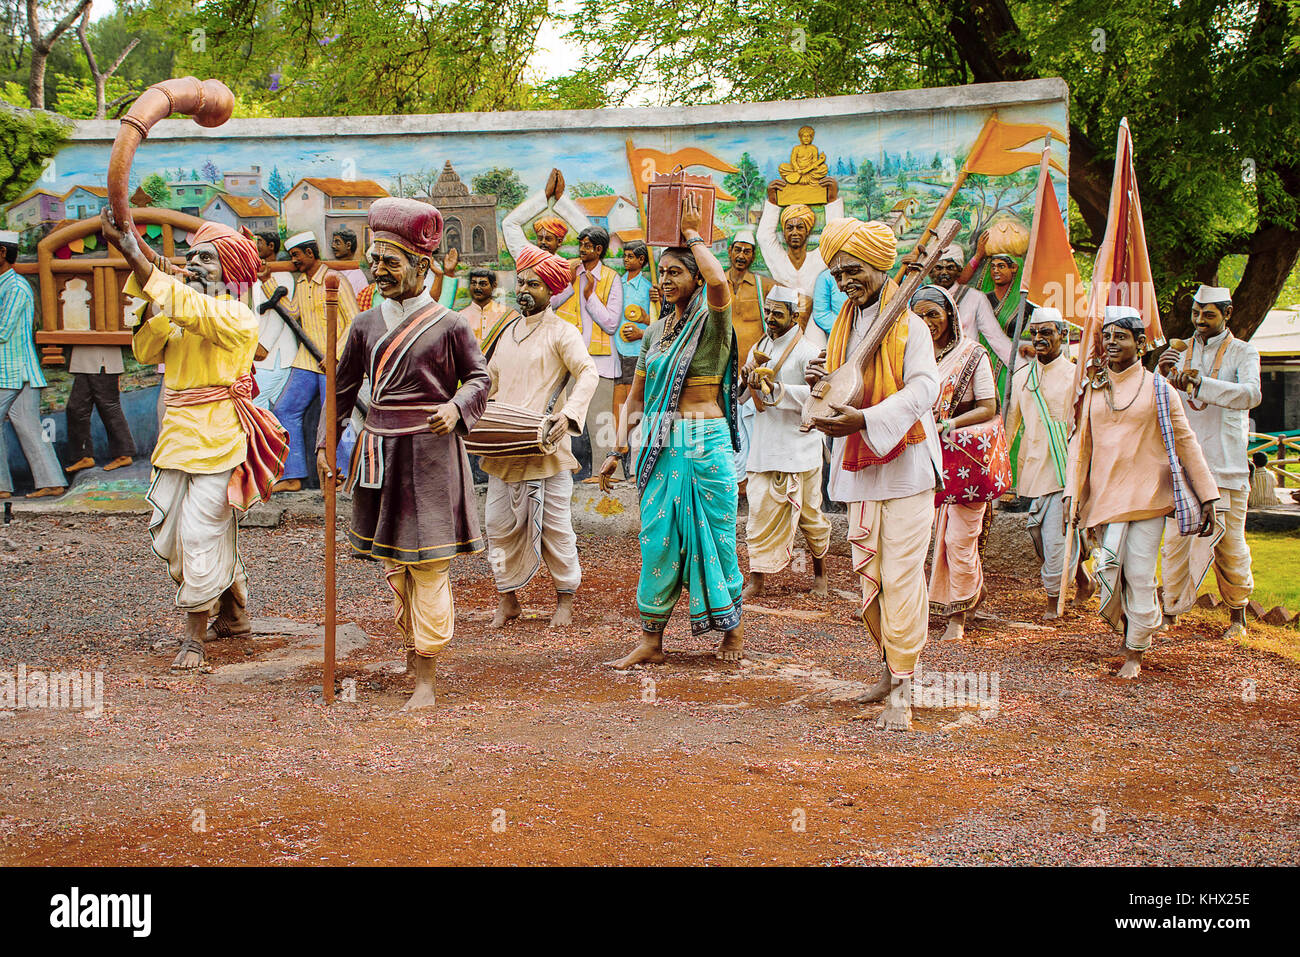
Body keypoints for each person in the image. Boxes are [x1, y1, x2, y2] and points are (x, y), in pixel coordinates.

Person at [318, 198, 490, 710]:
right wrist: (329, 446)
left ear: (423, 265)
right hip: (380, 454)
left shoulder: (450, 323)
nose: (380, 270)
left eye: (391, 262)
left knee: (430, 564)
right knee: (396, 562)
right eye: (376, 261)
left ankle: (427, 679)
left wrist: (458, 408)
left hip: (433, 455)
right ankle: (413, 650)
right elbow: (342, 389)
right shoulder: (366, 323)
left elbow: (480, 378)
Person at [99, 209, 288, 672]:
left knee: (199, 532)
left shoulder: (235, 314)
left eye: (207, 256)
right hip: (177, 435)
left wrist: (133, 252)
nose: (194, 261)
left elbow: (192, 307)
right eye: (191, 255)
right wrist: (157, 301)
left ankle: (194, 639)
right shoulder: (184, 306)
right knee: (178, 538)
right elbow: (145, 350)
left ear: (232, 268)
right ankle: (234, 606)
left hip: (221, 435)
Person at [804, 217, 943, 732]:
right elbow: (846, 380)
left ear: (880, 264)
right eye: (837, 274)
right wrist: (823, 378)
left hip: (905, 469)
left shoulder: (911, 324)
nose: (845, 282)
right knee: (872, 577)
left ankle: (904, 689)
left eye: (853, 270)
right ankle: (889, 670)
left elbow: (925, 388)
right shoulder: (844, 322)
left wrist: (865, 418)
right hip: (859, 471)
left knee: (903, 577)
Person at [598, 193, 744, 667]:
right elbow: (637, 398)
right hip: (664, 446)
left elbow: (721, 281)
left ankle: (731, 635)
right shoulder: (658, 331)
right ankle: (651, 641)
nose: (665, 280)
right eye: (661, 273)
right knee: (657, 538)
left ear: (695, 277)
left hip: (706, 443)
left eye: (675, 271)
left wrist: (695, 234)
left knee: (717, 538)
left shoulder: (713, 320)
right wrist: (618, 449)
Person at [1064, 306, 1219, 679]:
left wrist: (1208, 495)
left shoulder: (1159, 388)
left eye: (1122, 336)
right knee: (1110, 567)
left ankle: (1136, 649)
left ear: (1141, 343)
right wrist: (1073, 492)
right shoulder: (1094, 387)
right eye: (1108, 336)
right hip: (1105, 497)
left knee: (1139, 571)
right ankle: (1128, 628)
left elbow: (1186, 442)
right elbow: (1080, 446)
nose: (1112, 342)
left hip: (1150, 494)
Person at [483, 243, 599, 629]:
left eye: (533, 284)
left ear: (551, 290)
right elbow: (490, 381)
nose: (524, 290)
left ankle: (564, 601)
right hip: (504, 448)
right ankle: (507, 600)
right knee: (497, 526)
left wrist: (568, 414)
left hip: (545, 446)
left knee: (555, 527)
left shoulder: (562, 332)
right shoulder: (505, 331)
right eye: (520, 283)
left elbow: (588, 372)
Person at [1157, 284, 1262, 639]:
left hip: (1226, 467)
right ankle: (1171, 612)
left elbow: (1252, 394)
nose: (1199, 322)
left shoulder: (1244, 353)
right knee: (1175, 543)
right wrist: (1160, 375)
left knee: (1230, 546)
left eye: (1208, 315)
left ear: (1228, 314)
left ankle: (1237, 616)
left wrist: (1203, 383)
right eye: (1195, 314)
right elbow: (1160, 402)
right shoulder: (1180, 351)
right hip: (1183, 469)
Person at [917, 284, 997, 642]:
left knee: (959, 539)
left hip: (963, 460)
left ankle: (958, 617)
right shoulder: (911, 354)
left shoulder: (972, 354)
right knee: (921, 537)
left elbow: (988, 407)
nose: (926, 322)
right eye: (919, 315)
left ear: (950, 316)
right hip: (922, 457)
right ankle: (919, 607)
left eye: (933, 314)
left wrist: (949, 424)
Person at [740, 284, 830, 600]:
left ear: (794, 315)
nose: (770, 318)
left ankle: (820, 576)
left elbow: (820, 397)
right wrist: (746, 379)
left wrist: (776, 390)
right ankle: (757, 581)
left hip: (799, 448)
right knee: (758, 514)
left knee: (810, 516)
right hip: (765, 446)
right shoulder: (758, 348)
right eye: (767, 311)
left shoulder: (809, 352)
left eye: (777, 313)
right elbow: (744, 401)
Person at [1004, 306, 1091, 618]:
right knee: (1041, 534)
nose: (1039, 339)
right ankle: (1083, 580)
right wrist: (1001, 472)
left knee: (1056, 536)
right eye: (1035, 333)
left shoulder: (1076, 377)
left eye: (1047, 333)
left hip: (1065, 466)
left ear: (1063, 335)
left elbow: (1085, 427)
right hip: (1033, 467)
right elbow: (1010, 426)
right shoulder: (1020, 377)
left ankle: (1054, 601)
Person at [271, 231, 359, 492]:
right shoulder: (302, 283)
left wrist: (334, 355)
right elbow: (295, 313)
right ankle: (293, 475)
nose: (294, 261)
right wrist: (268, 284)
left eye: (296, 256)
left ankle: (343, 478)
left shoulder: (335, 280)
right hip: (307, 362)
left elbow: (354, 319)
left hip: (333, 363)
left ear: (310, 253)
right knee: (285, 410)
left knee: (334, 417)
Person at [0, 230, 67, 499]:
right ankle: (50, 481)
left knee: (29, 427)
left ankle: (4, 485)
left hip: (14, 371)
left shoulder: (16, 287)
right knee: (29, 428)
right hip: (13, 372)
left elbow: (3, 330)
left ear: (3, 253)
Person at [755, 183, 846, 350]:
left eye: (800, 227)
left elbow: (834, 238)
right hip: (782, 321)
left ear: (808, 231)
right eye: (789, 228)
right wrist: (773, 203)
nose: (794, 232)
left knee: (816, 359)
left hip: (813, 324)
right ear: (783, 232)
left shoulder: (818, 258)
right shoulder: (778, 260)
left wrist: (832, 201)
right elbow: (764, 238)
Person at [930, 243, 1014, 373]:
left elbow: (996, 338)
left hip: (965, 372)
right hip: (931, 371)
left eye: (950, 267)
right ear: (931, 272)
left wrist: (1022, 368)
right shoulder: (922, 299)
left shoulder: (975, 297)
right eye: (939, 268)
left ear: (959, 270)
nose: (944, 272)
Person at [63, 343, 136, 474]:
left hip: (103, 360)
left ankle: (124, 453)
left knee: (109, 406)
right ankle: (83, 455)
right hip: (84, 358)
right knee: (76, 408)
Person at [462, 267, 518, 347]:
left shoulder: (509, 315)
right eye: (473, 283)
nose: (477, 287)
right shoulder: (460, 317)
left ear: (494, 285)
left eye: (483, 284)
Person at [330, 225, 367, 295]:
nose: (333, 246)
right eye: (333, 242)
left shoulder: (358, 276)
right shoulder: (331, 271)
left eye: (337, 243)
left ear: (348, 245)